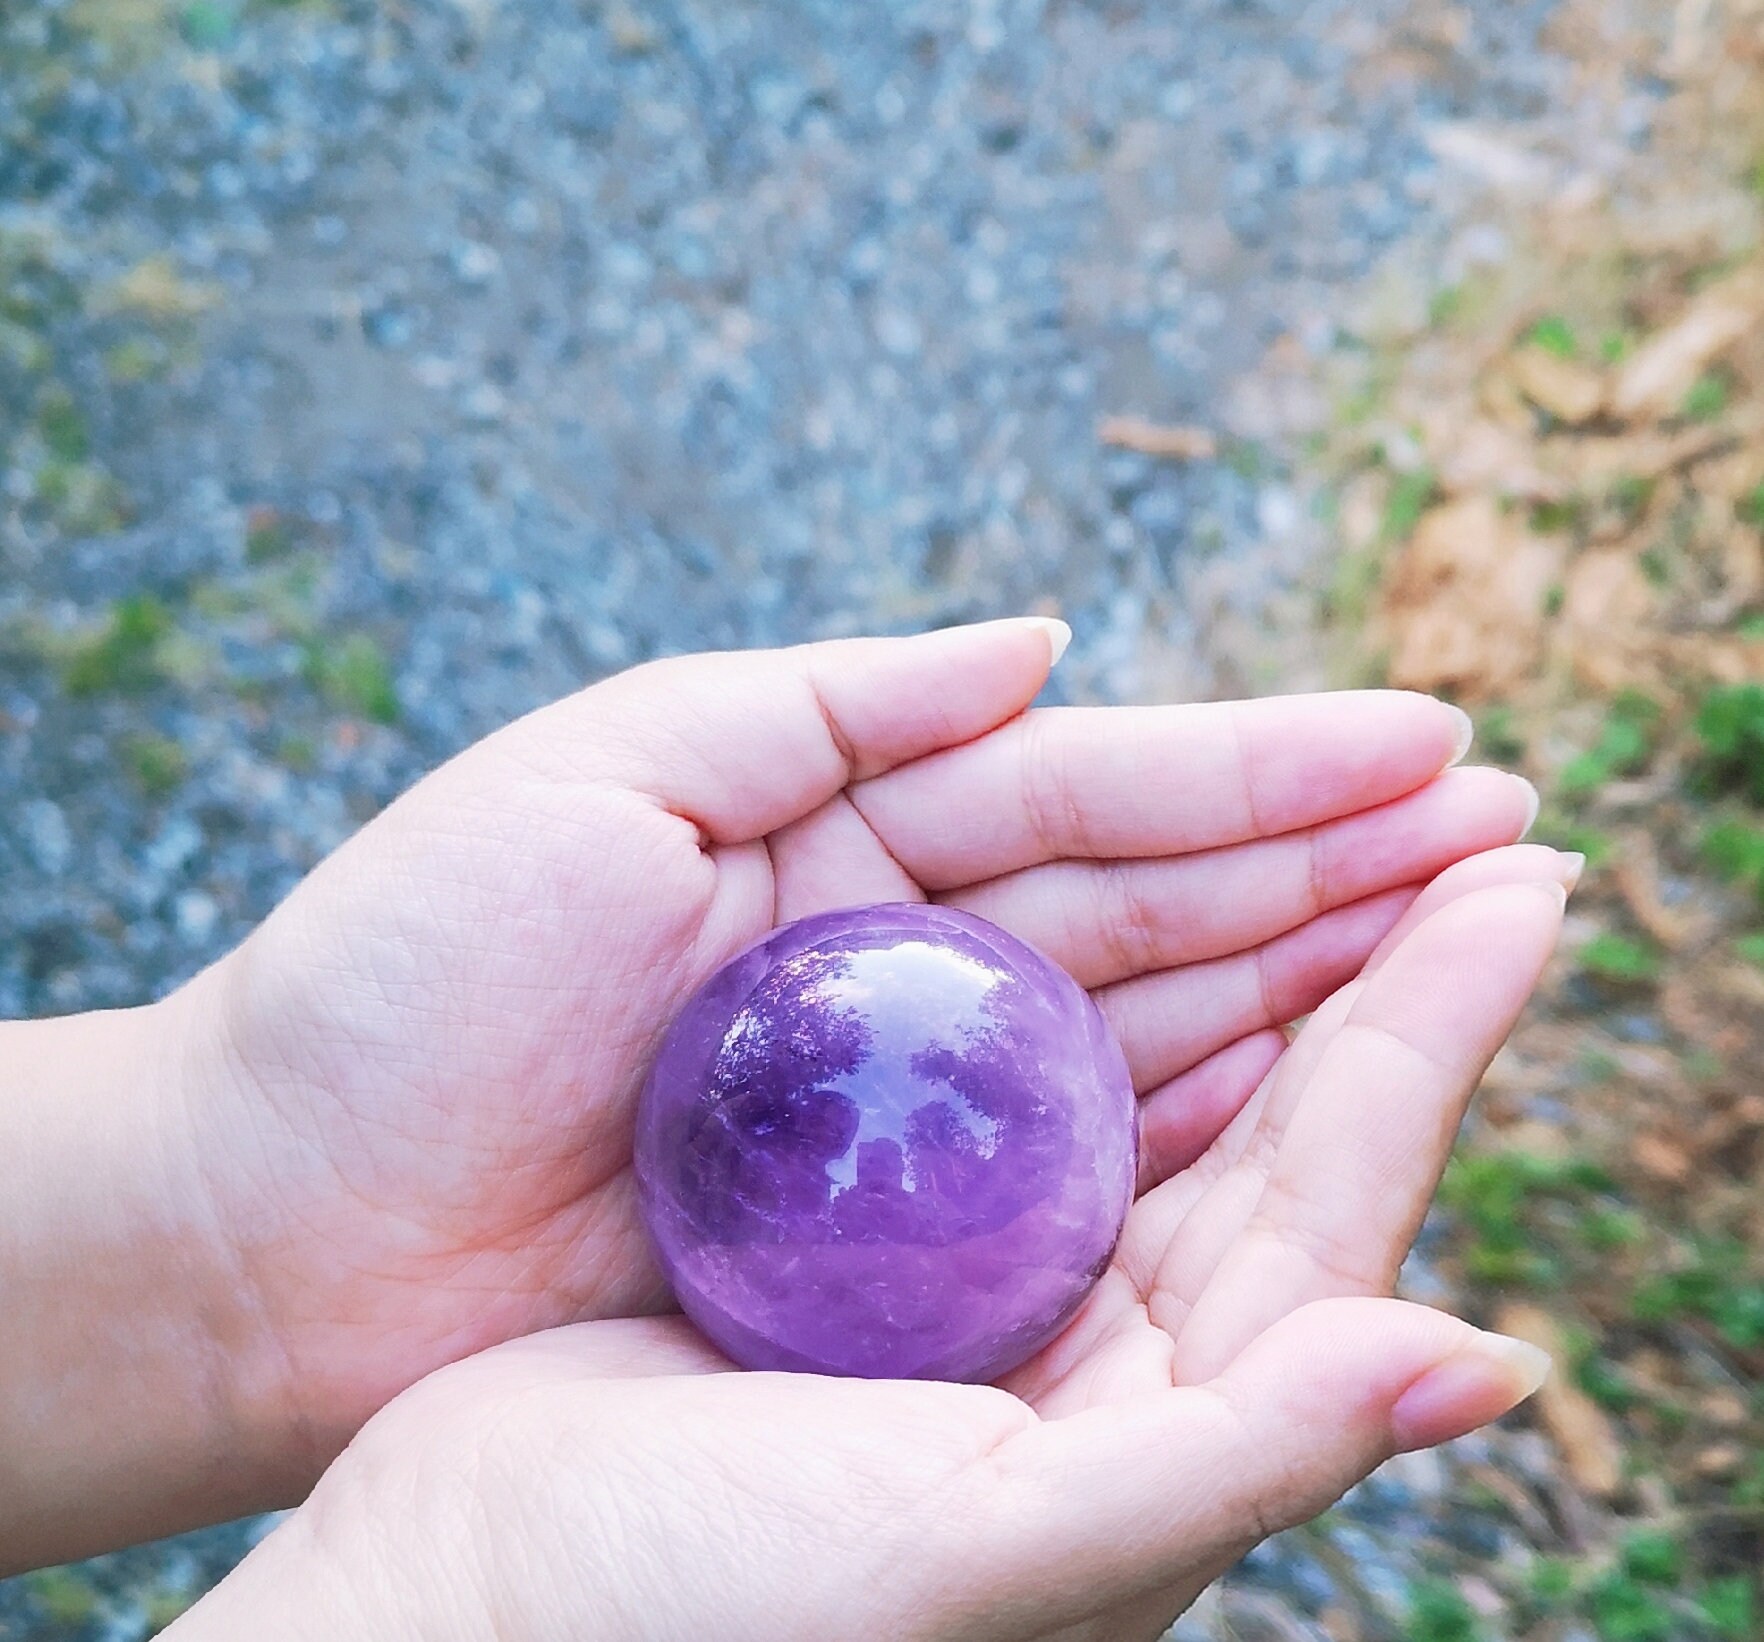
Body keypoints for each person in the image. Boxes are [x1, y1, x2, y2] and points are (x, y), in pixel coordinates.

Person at [2, 619, 1576, 1640]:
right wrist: (465, 1595)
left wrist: (207, 1170)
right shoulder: (783, 1054)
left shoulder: (979, 1043)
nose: (883, 1156)